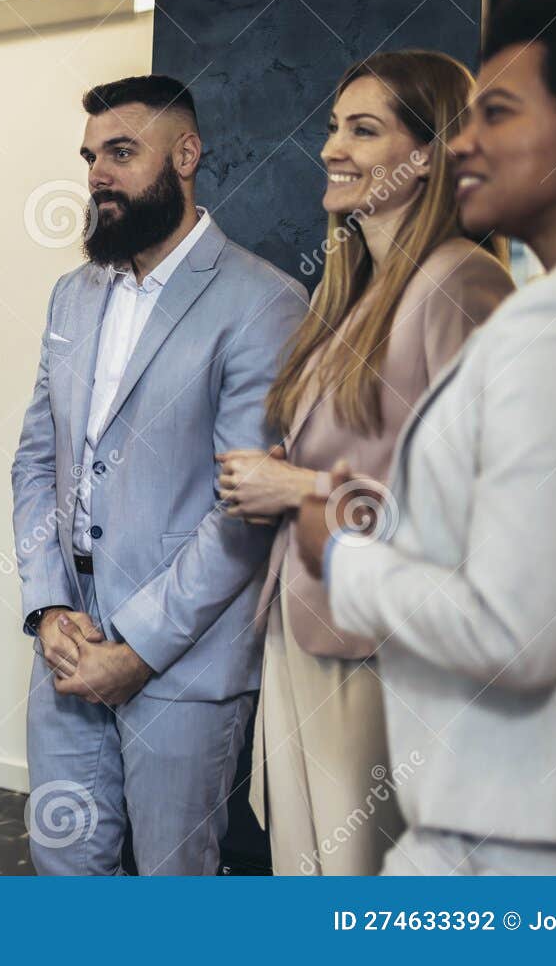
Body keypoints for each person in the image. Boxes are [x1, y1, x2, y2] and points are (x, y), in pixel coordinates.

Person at [295, 0, 556, 875]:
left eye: (499, 114)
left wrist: (342, 550)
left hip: (545, 836)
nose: (464, 144)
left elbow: (509, 633)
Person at [216, 51, 512, 875]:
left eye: (363, 129)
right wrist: (293, 468)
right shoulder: (352, 290)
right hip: (307, 622)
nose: (331, 148)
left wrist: (301, 487)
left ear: (429, 155)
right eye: (334, 127)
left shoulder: (462, 282)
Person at [12, 74, 306, 875]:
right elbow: (37, 460)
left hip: (184, 658)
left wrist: (136, 648)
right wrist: (45, 609)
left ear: (185, 154)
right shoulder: (71, 296)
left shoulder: (264, 302)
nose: (98, 174)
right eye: (90, 157)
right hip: (66, 644)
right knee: (63, 871)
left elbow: (244, 508)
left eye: (121, 152)